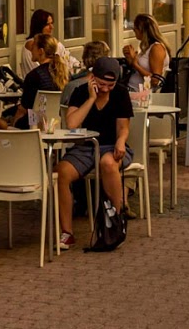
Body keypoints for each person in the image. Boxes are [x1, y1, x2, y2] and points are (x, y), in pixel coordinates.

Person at [54, 57, 132, 252]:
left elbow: (123, 128)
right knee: (62, 172)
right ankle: (67, 232)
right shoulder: (80, 92)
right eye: (102, 84)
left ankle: (114, 222)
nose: (105, 89)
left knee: (108, 163)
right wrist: (91, 98)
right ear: (91, 78)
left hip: (111, 145)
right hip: (86, 147)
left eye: (110, 85)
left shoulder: (121, 93)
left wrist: (121, 141)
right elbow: (71, 124)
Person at [12, 34, 68, 130]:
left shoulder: (34, 76)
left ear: (40, 51)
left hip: (35, 124)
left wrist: (13, 124)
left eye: (33, 46)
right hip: (59, 124)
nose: (31, 50)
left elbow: (25, 109)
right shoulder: (66, 75)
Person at [15, 9, 75, 78]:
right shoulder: (32, 44)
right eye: (47, 24)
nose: (51, 27)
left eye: (52, 23)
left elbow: (67, 59)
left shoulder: (55, 43)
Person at [123, 14, 170, 90]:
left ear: (142, 30)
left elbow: (155, 80)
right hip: (133, 88)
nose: (134, 30)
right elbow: (142, 69)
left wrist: (135, 65)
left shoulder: (156, 48)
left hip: (139, 93)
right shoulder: (147, 47)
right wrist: (131, 58)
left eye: (135, 28)